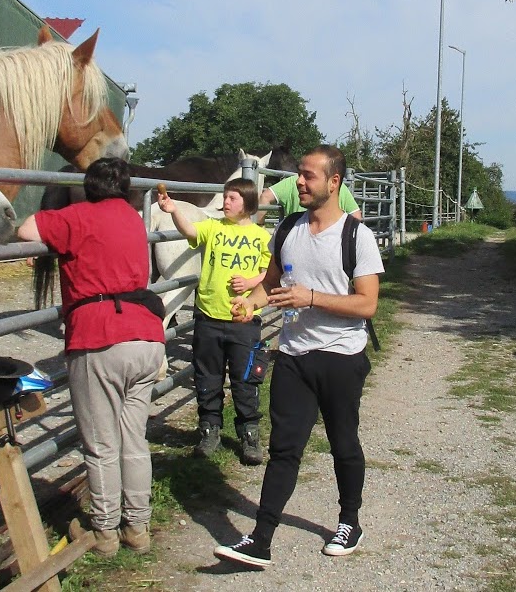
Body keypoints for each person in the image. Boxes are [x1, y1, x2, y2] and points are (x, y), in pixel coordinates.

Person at [214, 145, 384, 569]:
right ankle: (261, 540)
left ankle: (349, 521)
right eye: (299, 175)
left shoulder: (356, 236)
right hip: (292, 354)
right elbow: (271, 284)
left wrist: (312, 297)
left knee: (343, 443)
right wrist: (251, 303)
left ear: (334, 182)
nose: (299, 182)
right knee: (284, 448)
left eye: (308, 176)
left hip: (341, 356)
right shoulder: (288, 227)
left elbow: (367, 304)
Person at [16, 157, 166, 558]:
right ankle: (138, 526)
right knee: (133, 438)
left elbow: (25, 229)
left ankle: (105, 532)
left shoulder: (77, 217)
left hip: (98, 335)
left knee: (101, 444)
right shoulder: (133, 218)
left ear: (87, 187)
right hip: (146, 336)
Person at [156, 178, 271, 465]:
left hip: (243, 319)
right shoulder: (214, 227)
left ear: (247, 203)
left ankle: (249, 434)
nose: (225, 202)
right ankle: (209, 431)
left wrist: (250, 282)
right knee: (207, 377)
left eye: (232, 198)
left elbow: (269, 272)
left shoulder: (261, 236)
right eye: (225, 196)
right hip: (208, 316)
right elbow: (190, 230)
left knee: (245, 379)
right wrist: (173, 210)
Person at [258, 172, 362, 221]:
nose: (300, 181)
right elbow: (356, 215)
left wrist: (259, 227)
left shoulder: (291, 182)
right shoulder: (337, 185)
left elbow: (265, 197)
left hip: (295, 240)